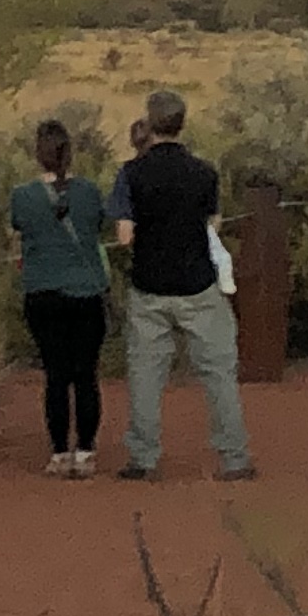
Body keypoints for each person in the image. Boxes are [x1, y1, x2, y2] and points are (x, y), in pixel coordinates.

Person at [111, 90, 253, 482]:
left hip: (149, 287)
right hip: (197, 286)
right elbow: (213, 224)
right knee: (219, 372)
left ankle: (143, 458)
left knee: (145, 373)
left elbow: (124, 235)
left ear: (150, 122)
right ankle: (234, 457)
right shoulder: (204, 172)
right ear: (181, 123)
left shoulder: (131, 173)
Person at [8, 116, 112, 478]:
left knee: (55, 374)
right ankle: (85, 451)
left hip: (43, 294)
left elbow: (19, 228)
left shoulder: (22, 196)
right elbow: (97, 226)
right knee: (85, 374)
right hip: (86, 293)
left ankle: (58, 453)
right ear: (70, 153)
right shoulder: (89, 192)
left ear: (38, 154)